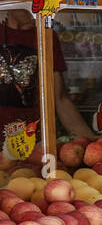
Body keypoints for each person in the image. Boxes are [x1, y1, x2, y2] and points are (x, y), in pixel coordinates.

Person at [0, 10, 96, 138]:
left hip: (32, 137)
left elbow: (60, 99)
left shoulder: (47, 37)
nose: (33, 9)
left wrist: (90, 140)